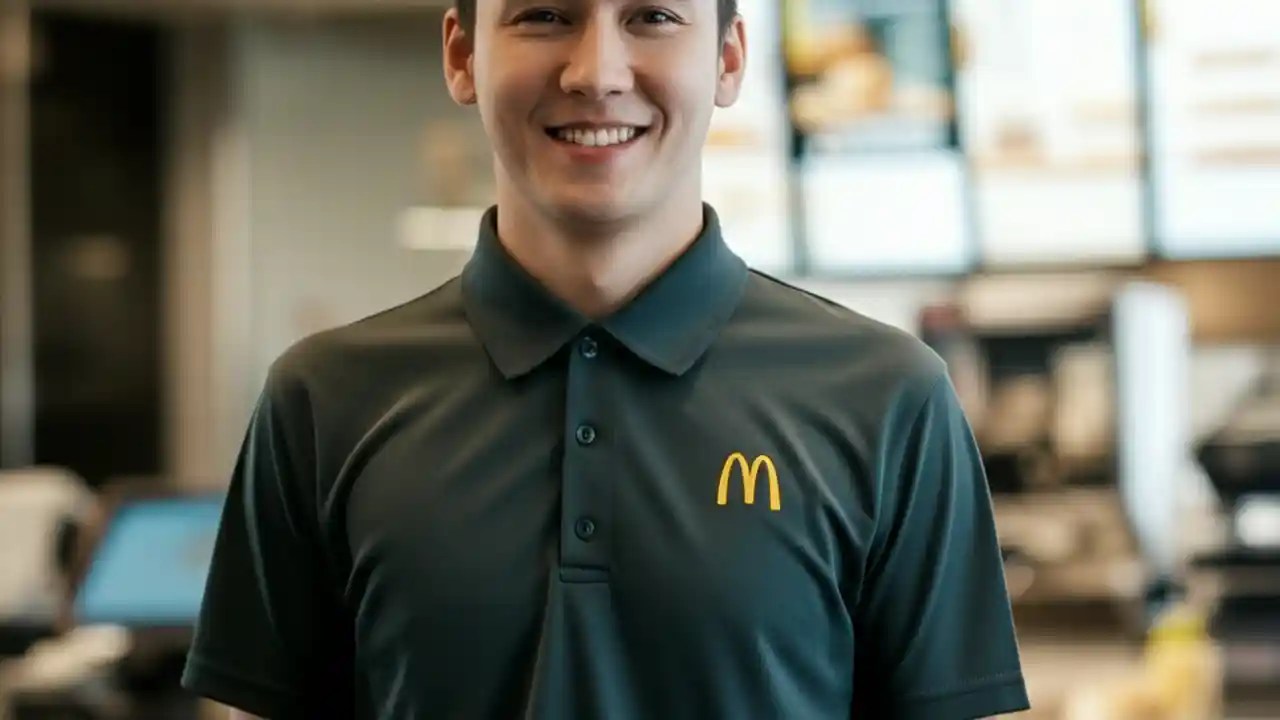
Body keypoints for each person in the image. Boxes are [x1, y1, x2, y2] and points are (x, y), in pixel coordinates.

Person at [181, 0, 1031, 718]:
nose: (597, 70)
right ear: (462, 54)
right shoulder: (323, 400)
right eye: (545, 15)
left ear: (730, 60)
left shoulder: (888, 399)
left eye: (653, 16)